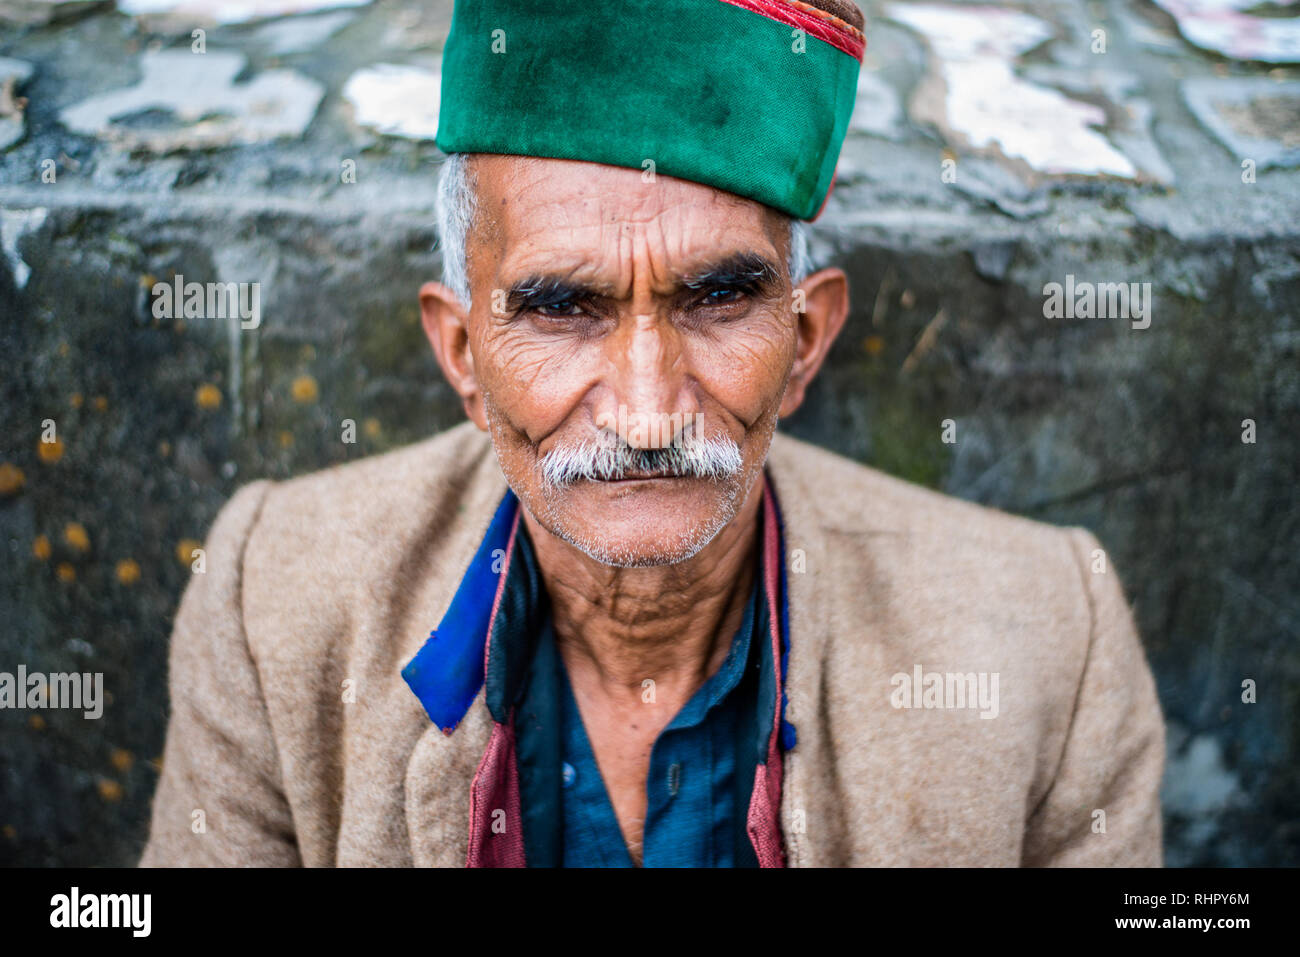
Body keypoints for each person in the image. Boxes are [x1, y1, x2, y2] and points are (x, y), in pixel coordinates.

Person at [141, 0, 1164, 867]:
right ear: (460, 354)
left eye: (718, 298)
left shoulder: (1047, 647)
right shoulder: (270, 603)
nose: (645, 411)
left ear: (804, 342)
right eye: (559, 308)